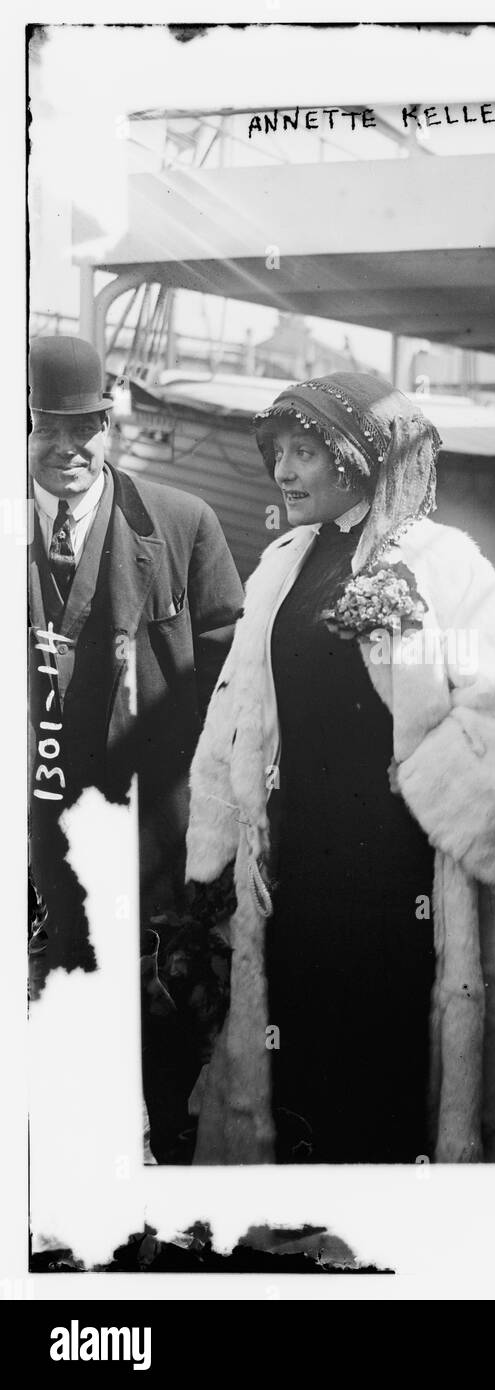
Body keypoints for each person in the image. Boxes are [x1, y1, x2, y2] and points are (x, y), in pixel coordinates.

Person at [184, 371, 495, 1164]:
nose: (284, 472)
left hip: (397, 879)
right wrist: (221, 837)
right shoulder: (281, 562)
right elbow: (237, 707)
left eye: (305, 452)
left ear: (358, 457)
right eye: (279, 453)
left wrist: (431, 786)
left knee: (387, 1071)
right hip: (296, 869)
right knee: (297, 1055)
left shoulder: (442, 563)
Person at [27, 335, 244, 1157]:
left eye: (87, 426)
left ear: (110, 427)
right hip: (40, 817)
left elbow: (232, 674)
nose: (69, 446)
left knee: (160, 1001)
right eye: (47, 426)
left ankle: (163, 1165)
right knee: (59, 993)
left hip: (152, 823)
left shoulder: (182, 524)